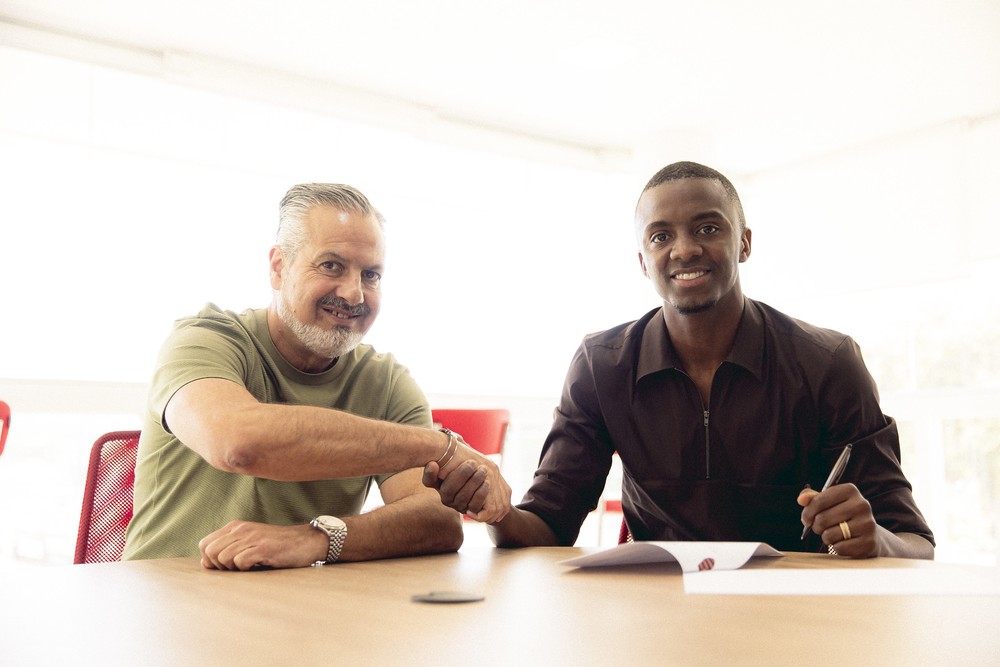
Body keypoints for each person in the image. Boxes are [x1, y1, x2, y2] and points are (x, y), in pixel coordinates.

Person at [428, 161, 934, 559]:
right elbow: (547, 526)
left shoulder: (828, 362)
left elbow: (913, 541)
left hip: (794, 609)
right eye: (661, 235)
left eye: (708, 228)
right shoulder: (602, 365)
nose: (685, 249)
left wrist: (876, 541)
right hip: (659, 609)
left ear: (744, 244)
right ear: (642, 260)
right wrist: (495, 511)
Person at [123, 183, 510, 570]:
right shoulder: (203, 340)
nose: (354, 294)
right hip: (167, 602)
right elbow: (239, 442)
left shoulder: (385, 379)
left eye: (371, 275)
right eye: (331, 266)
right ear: (278, 267)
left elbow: (437, 521)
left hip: (301, 608)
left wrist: (317, 539)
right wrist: (436, 447)